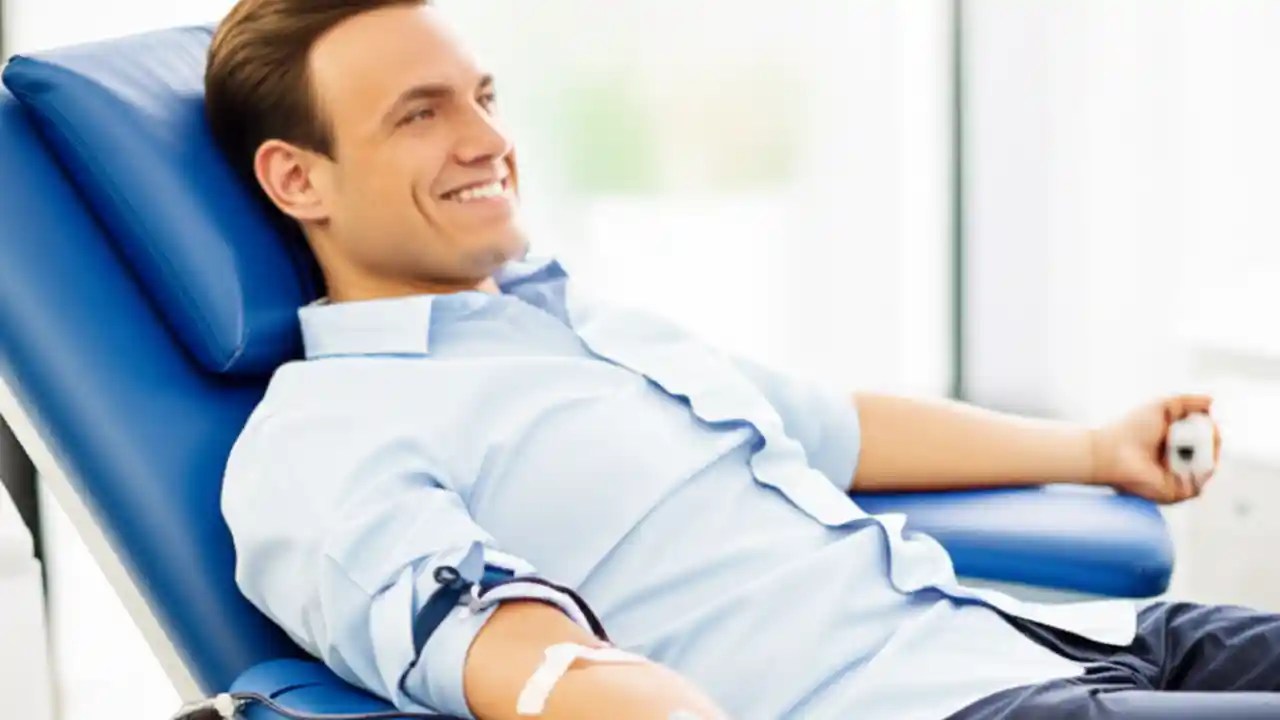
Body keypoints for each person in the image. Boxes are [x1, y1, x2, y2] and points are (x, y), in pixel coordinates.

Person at [208, 1, 1276, 718]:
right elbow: (519, 659)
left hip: (1048, 645)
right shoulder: (321, 438)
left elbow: (830, 426)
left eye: (482, 96)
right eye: (419, 115)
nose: (485, 139)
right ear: (299, 181)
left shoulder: (567, 320)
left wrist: (1096, 448)